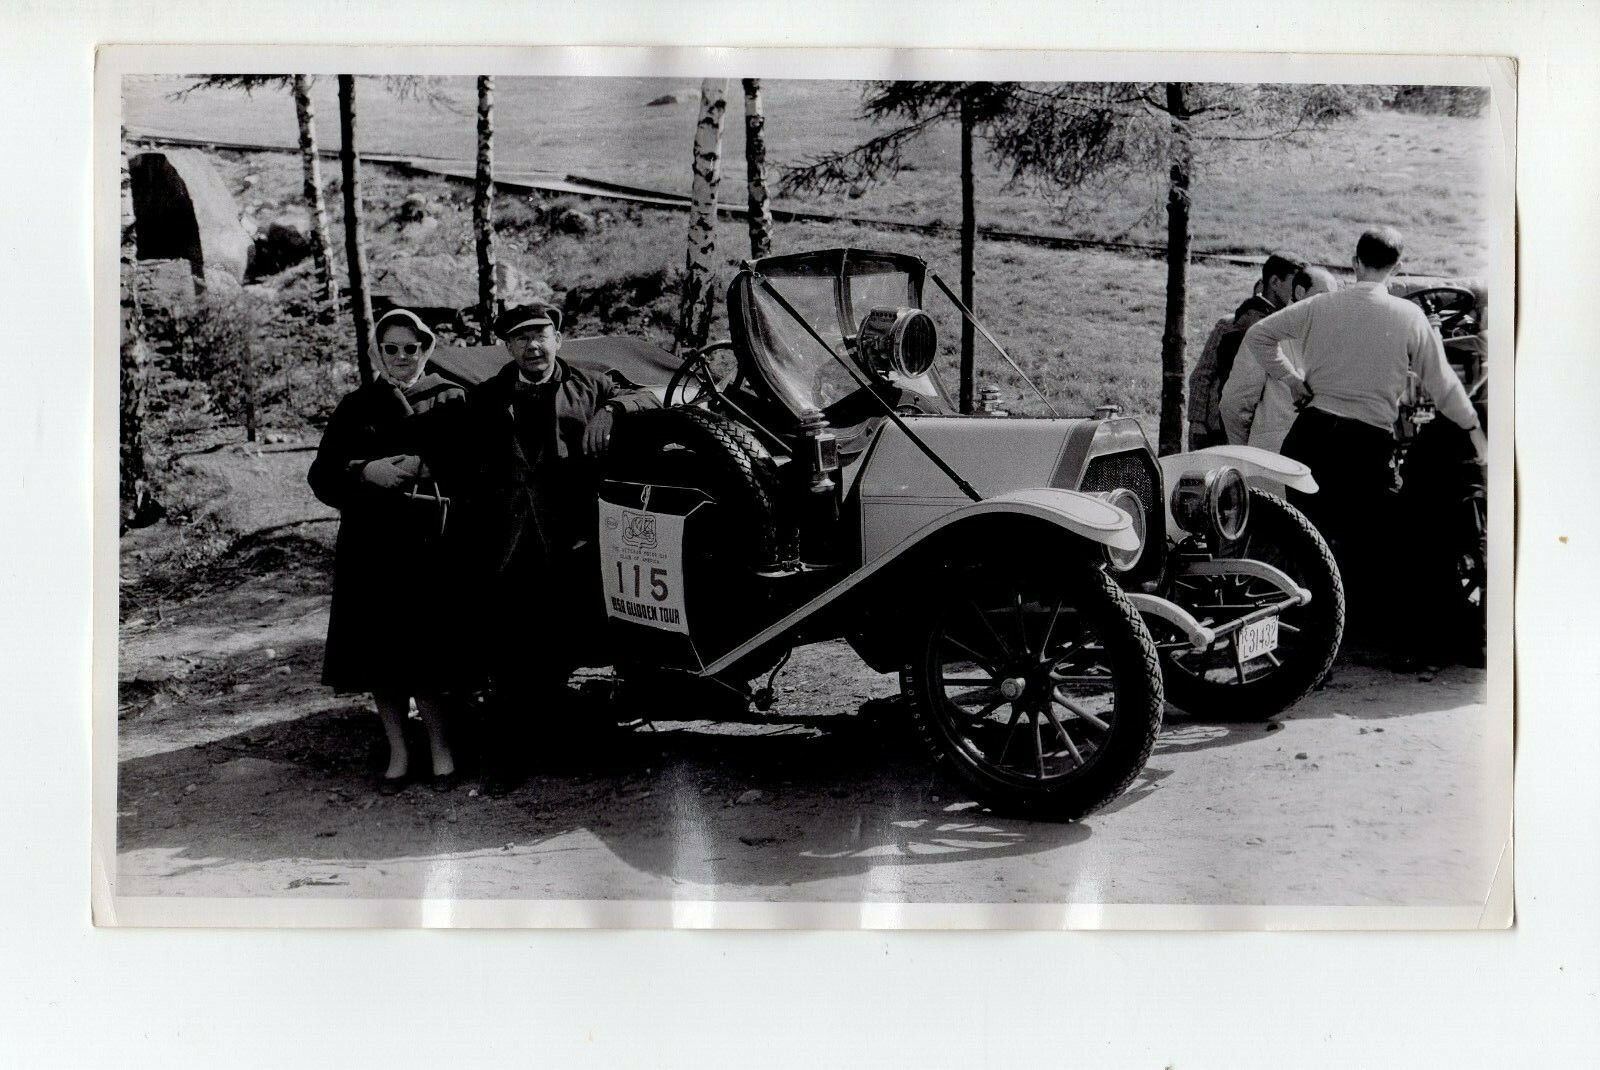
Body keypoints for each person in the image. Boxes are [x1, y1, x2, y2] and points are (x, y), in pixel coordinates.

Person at [431, 303, 659, 789]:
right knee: (510, 653)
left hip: (578, 541)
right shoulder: (487, 397)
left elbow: (651, 397)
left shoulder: (593, 383)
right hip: (510, 544)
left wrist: (613, 410)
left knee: (580, 637)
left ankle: (585, 748)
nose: (533, 347)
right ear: (508, 348)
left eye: (541, 336)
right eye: (521, 339)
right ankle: (506, 763)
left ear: (558, 338)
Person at [1240, 227, 1487, 632]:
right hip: (1366, 441)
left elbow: (1259, 335)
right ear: (1397, 268)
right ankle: (1372, 623)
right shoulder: (1409, 315)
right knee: (1377, 534)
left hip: (1313, 433)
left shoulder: (1321, 305)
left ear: (1354, 262)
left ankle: (1307, 631)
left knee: (1309, 537)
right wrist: (1474, 431)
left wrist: (1293, 381)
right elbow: (1443, 385)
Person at [308, 308, 469, 794]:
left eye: (411, 348)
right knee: (382, 657)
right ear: (379, 352)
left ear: (426, 349)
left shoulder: (451, 398)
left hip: (429, 547)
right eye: (391, 348)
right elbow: (322, 475)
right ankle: (399, 753)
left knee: (429, 656)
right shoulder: (357, 404)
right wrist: (363, 472)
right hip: (372, 548)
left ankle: (442, 753)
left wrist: (430, 465)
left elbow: (480, 463)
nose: (402, 357)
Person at [1187, 250, 1308, 449]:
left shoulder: (1287, 328)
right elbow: (1203, 374)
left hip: (1250, 426)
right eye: (1295, 284)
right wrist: (1197, 421)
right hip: (1217, 427)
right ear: (1275, 282)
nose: (1299, 291)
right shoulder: (1231, 323)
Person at [1220, 265, 1339, 452]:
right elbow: (1236, 402)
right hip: (1273, 457)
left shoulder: (1335, 336)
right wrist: (1245, 450)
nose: (1331, 303)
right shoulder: (1266, 333)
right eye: (1324, 295)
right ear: (1300, 292)